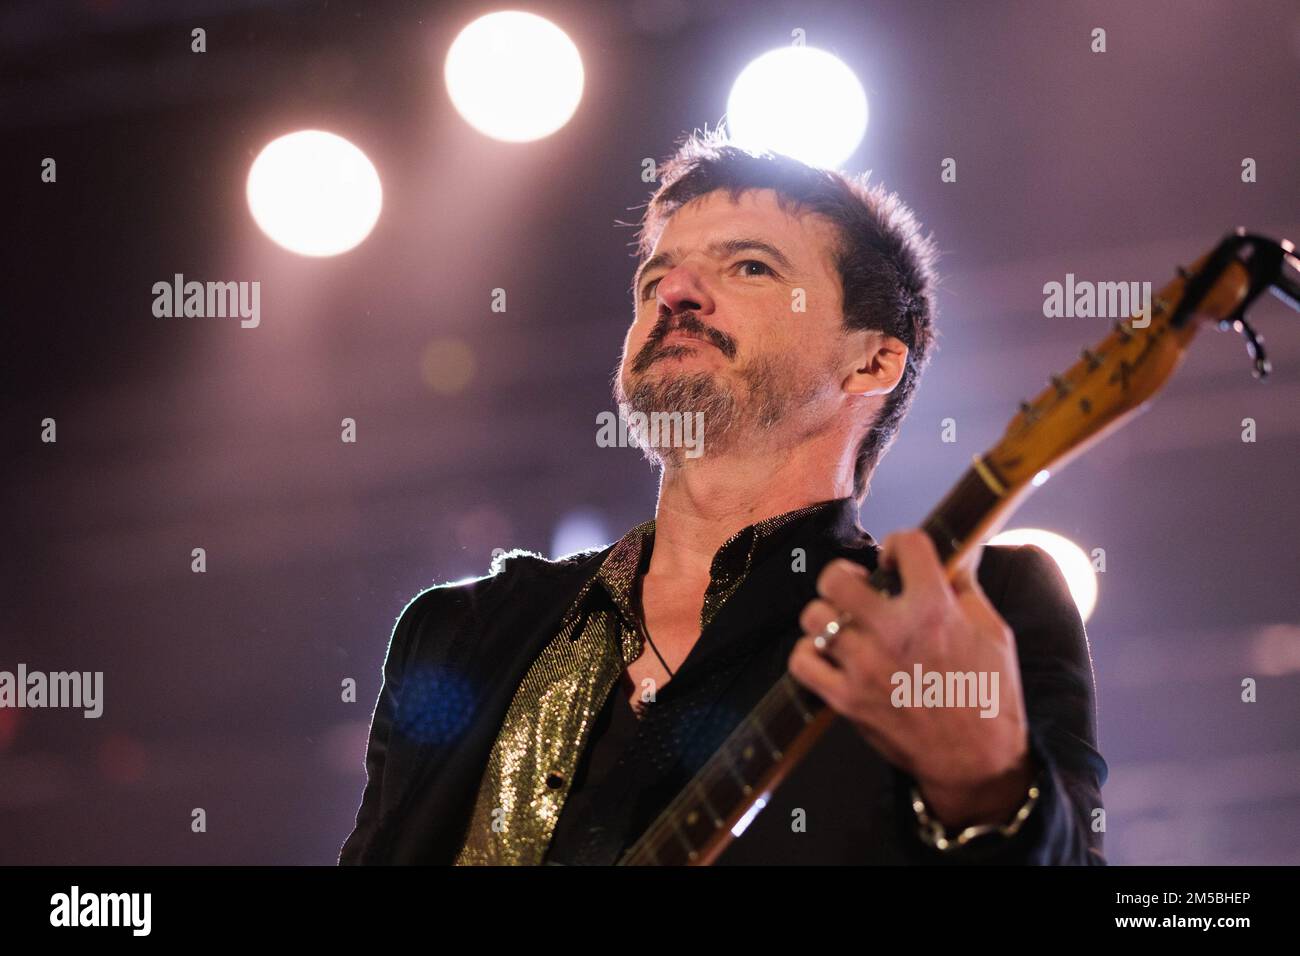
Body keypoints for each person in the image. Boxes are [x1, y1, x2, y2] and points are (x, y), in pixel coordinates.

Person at [339, 130, 1106, 866]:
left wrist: (986, 787)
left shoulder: (965, 617)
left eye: (750, 267)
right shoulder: (459, 633)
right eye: (653, 280)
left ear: (872, 363)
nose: (674, 292)